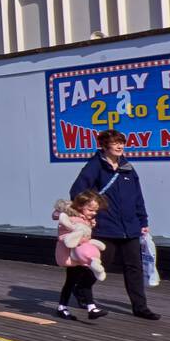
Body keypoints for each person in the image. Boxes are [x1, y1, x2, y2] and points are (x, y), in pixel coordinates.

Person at [69, 129, 160, 321]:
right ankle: (82, 291)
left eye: (122, 142)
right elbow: (77, 192)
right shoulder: (95, 166)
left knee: (134, 268)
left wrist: (143, 221)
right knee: (100, 265)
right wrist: (90, 214)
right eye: (115, 143)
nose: (120, 146)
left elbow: (138, 197)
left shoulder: (127, 168)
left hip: (130, 227)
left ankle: (140, 307)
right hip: (105, 227)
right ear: (104, 145)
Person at [52, 190, 108, 321]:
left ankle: (91, 307)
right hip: (70, 255)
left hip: (81, 255)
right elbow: (63, 237)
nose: (94, 213)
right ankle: (62, 307)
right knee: (71, 281)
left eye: (95, 211)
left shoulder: (84, 219)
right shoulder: (70, 220)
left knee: (83, 279)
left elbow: (85, 234)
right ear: (80, 206)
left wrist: (89, 225)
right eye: (90, 210)